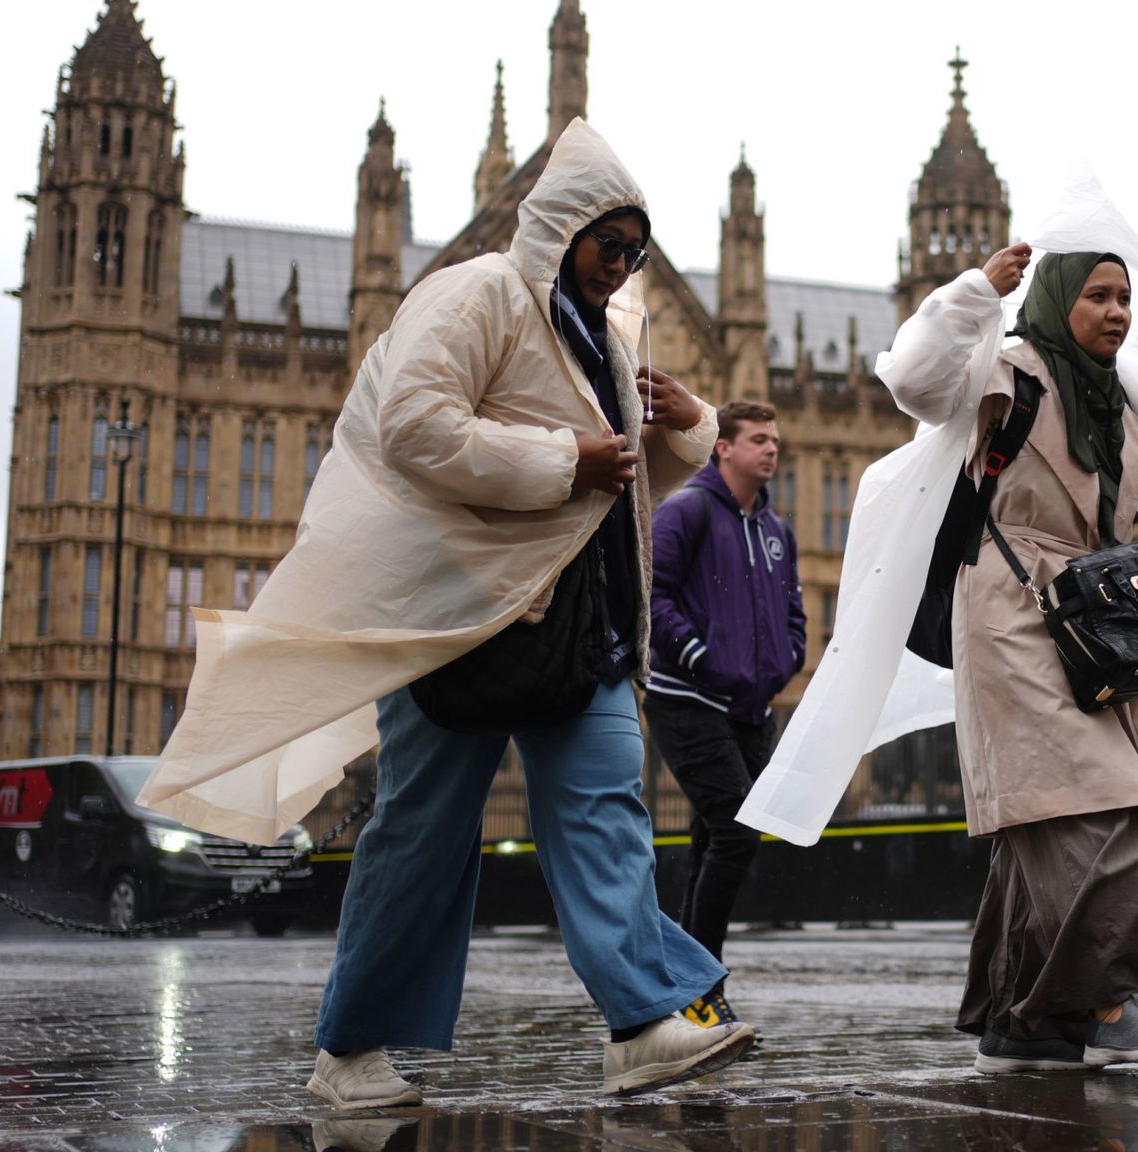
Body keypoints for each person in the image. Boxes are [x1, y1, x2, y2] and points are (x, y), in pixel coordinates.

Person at [138, 119, 754, 1102]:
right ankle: (349, 1053)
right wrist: (566, 459)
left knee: (607, 814)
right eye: (612, 246)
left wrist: (690, 427)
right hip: (462, 624)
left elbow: (615, 483)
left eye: (638, 252)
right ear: (562, 226)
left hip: (580, 629)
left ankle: (643, 1020)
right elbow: (414, 426)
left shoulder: (602, 335)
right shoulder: (474, 293)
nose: (625, 267)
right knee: (420, 836)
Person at [869, 241, 1138, 1073]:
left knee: (1043, 817)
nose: (1115, 311)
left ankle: (1024, 1022)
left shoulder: (1126, 392)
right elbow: (913, 381)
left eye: (1123, 298)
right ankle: (1106, 1003)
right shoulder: (1005, 368)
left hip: (1097, 614)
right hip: (1009, 604)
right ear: (1058, 301)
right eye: (1097, 297)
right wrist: (975, 293)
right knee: (1114, 811)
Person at [644, 400, 806, 978]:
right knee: (736, 832)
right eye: (758, 439)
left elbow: (792, 611)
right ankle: (701, 980)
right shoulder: (686, 511)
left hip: (750, 709)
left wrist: (789, 659)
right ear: (724, 447)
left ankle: (689, 984)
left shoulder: (775, 530)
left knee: (714, 838)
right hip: (687, 699)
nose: (771, 449)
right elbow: (651, 593)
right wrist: (698, 655)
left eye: (775, 441)